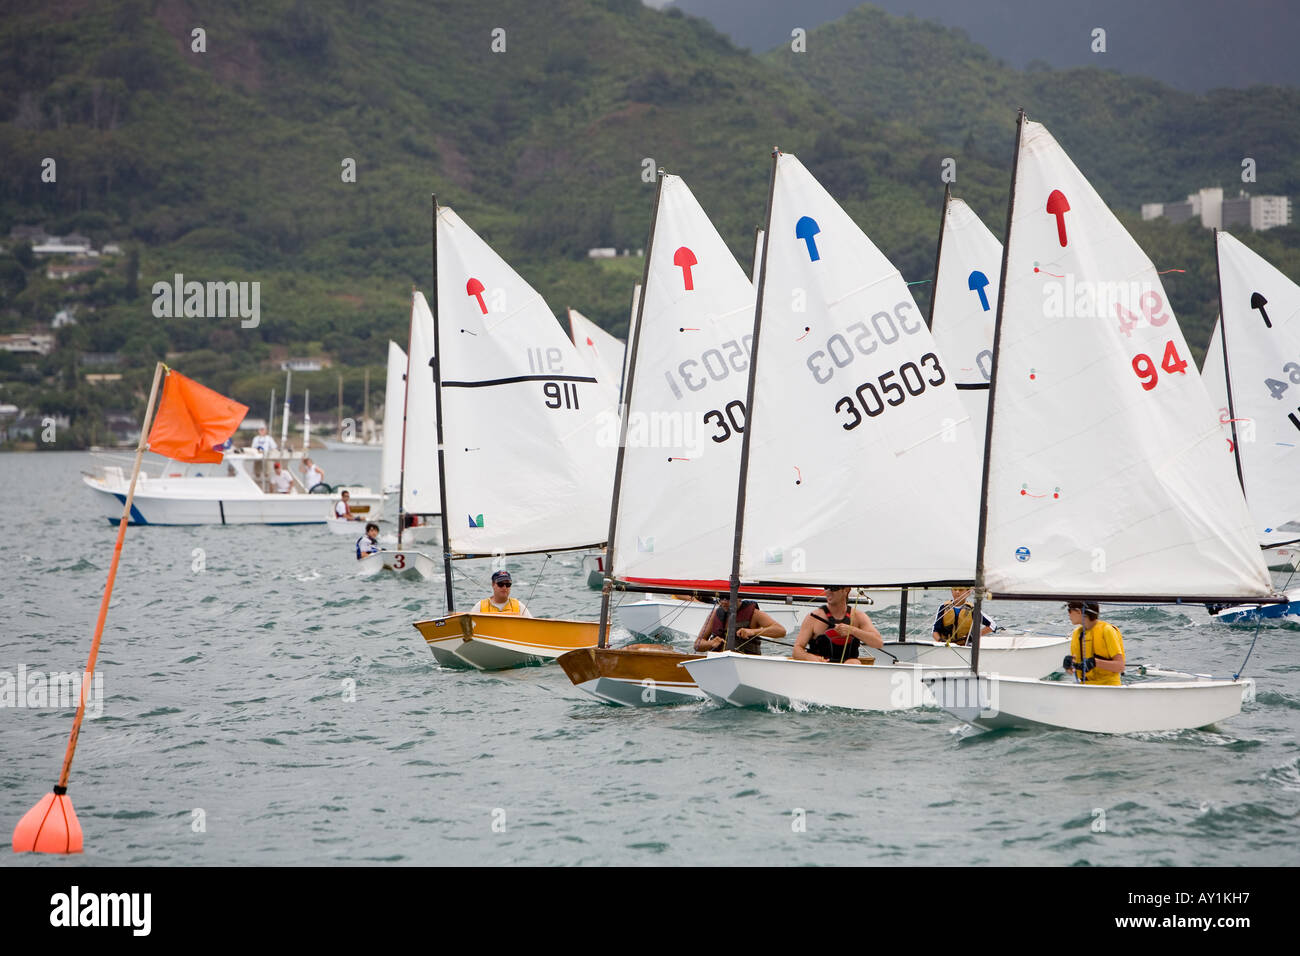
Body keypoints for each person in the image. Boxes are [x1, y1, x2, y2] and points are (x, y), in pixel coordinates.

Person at [793, 585, 883, 664]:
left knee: (853, 662)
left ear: (846, 590)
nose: (828, 591)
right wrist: (809, 657)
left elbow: (878, 643)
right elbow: (796, 650)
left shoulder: (858, 617)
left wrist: (853, 630)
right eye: (826, 588)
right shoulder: (813, 617)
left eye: (833, 588)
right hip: (821, 667)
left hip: (850, 668)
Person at [694, 593, 785, 654]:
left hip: (745, 664)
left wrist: (752, 632)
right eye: (721, 598)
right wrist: (710, 643)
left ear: (740, 597)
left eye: (728, 598)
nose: (724, 602)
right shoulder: (715, 614)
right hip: (719, 664)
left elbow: (781, 631)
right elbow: (697, 645)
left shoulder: (755, 614)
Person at [1063, 600, 1125, 685]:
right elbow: (1072, 671)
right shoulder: (1076, 633)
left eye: (1069, 610)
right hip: (1084, 687)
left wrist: (1095, 662)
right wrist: (1069, 665)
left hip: (1108, 688)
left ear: (1079, 611)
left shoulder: (1107, 630)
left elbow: (1120, 667)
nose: (1068, 614)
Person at [931, 587, 995, 645]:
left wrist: (973, 636)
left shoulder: (973, 609)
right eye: (955, 589)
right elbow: (935, 631)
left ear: (968, 592)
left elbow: (992, 625)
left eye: (961, 590)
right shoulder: (943, 608)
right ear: (951, 591)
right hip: (946, 645)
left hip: (965, 646)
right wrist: (940, 641)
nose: (957, 592)